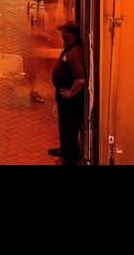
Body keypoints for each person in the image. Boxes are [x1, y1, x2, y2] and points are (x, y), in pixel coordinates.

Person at [51, 22, 88, 165]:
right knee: (63, 125)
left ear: (70, 34)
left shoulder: (76, 51)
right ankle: (64, 149)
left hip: (70, 100)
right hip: (62, 94)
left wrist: (69, 94)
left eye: (63, 32)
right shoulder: (69, 46)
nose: (61, 34)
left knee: (69, 128)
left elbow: (80, 79)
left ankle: (69, 159)